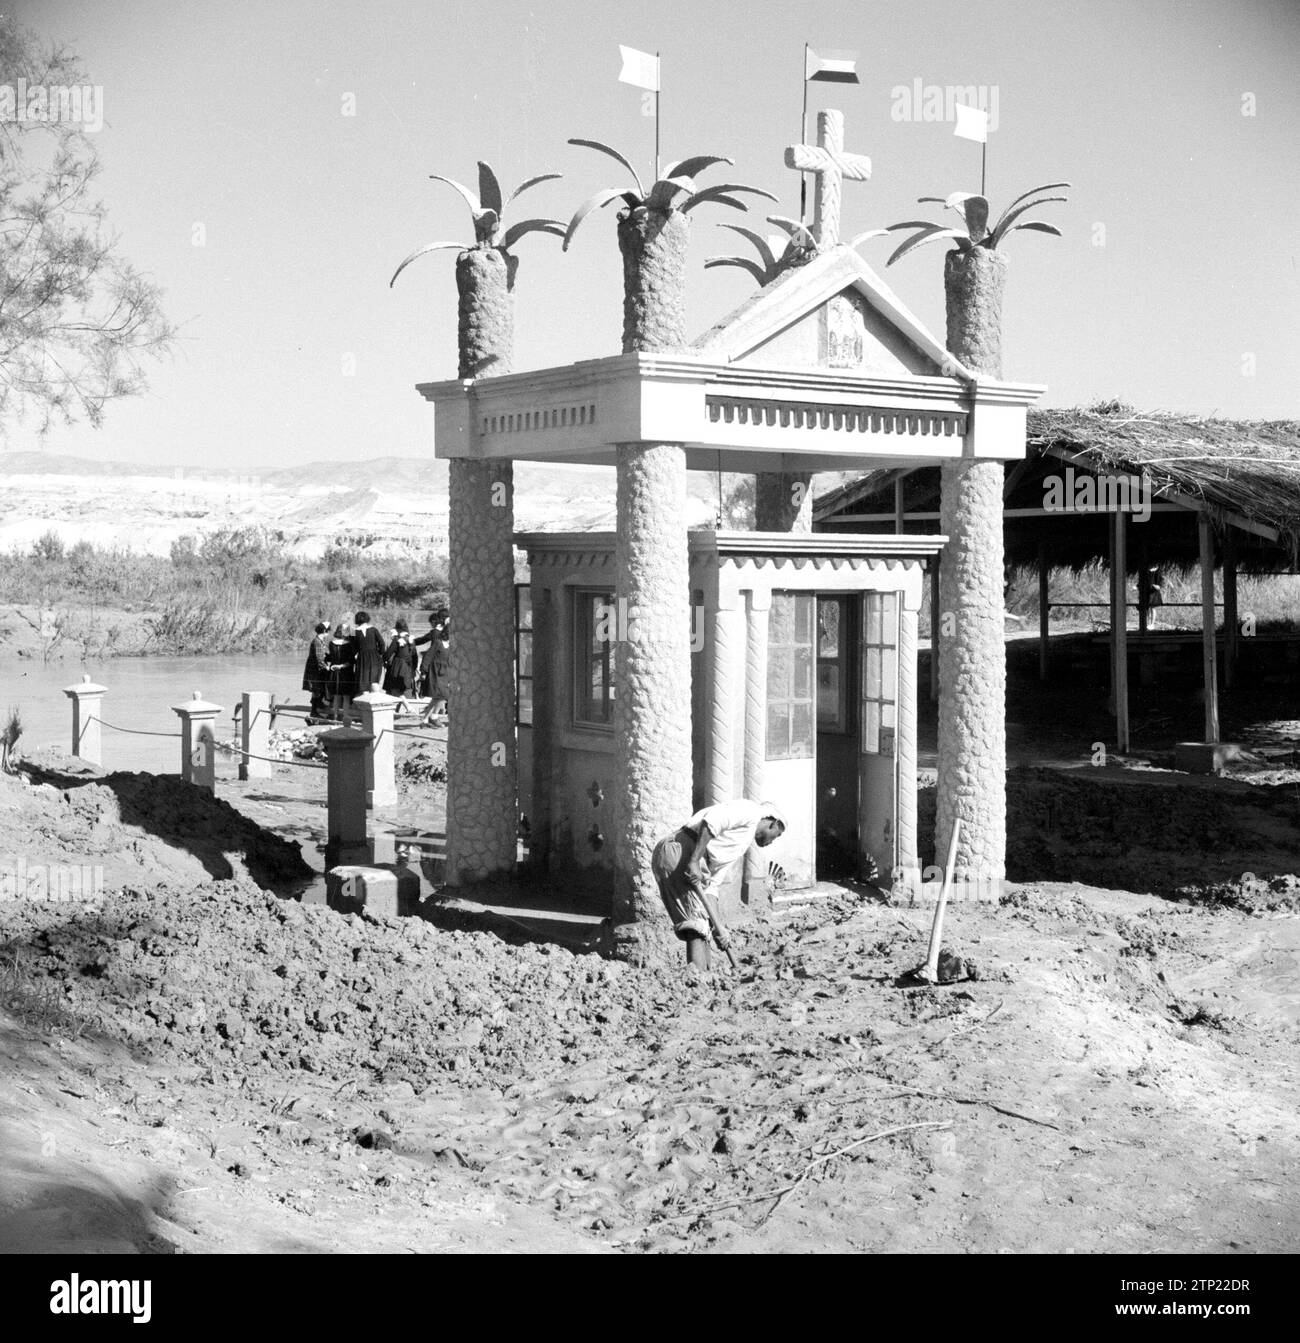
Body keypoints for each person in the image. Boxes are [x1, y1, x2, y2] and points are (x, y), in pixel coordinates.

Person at [651, 799, 786, 971]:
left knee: (702, 924)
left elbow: (711, 887)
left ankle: (704, 976)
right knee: (697, 924)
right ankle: (697, 981)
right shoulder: (751, 811)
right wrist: (693, 861)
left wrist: (719, 928)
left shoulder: (741, 841)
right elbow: (712, 821)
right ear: (773, 824)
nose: (773, 841)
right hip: (682, 850)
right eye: (777, 835)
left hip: (683, 855)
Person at [415, 607, 449, 726]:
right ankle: (432, 717)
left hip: (445, 669)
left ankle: (430, 718)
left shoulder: (441, 632)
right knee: (440, 695)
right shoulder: (437, 633)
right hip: (436, 668)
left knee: (440, 696)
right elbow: (430, 651)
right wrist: (423, 670)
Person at [383, 616, 420, 706]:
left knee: (394, 688)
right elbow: (415, 656)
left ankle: (405, 707)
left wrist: (384, 662)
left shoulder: (397, 639)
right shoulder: (411, 639)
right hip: (408, 667)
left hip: (397, 666)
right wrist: (413, 669)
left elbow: (388, 654)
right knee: (403, 688)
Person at [326, 619, 356, 724]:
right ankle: (345, 719)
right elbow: (351, 661)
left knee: (336, 697)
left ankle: (334, 720)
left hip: (334, 672)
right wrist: (341, 666)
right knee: (346, 697)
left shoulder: (331, 643)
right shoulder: (349, 644)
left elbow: (330, 657)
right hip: (346, 672)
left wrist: (335, 665)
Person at [352, 610, 387, 697]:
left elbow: (353, 649)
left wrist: (356, 656)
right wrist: (379, 654)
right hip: (375, 658)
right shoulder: (373, 629)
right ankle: (377, 704)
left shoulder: (354, 632)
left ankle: (366, 707)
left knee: (364, 685)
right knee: (374, 682)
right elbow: (382, 643)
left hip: (362, 660)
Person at [301, 621, 331, 721]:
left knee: (318, 690)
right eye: (328, 631)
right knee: (316, 690)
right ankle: (314, 712)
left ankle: (317, 710)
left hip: (317, 669)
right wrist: (326, 668)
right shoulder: (317, 642)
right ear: (324, 631)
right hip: (315, 670)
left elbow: (326, 654)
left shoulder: (321, 641)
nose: (328, 634)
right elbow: (319, 658)